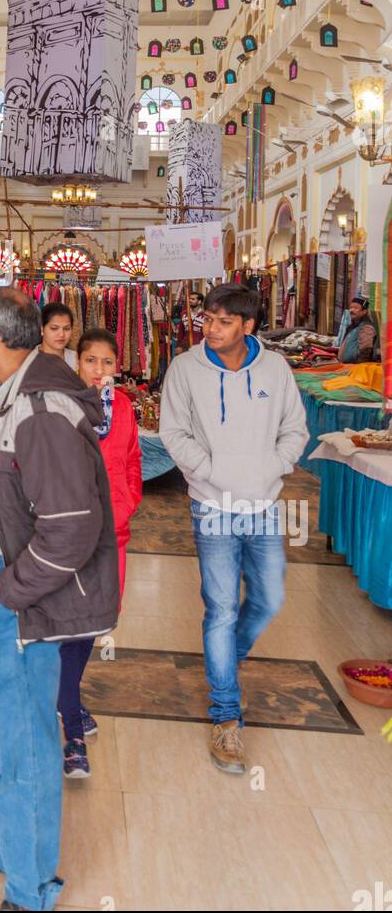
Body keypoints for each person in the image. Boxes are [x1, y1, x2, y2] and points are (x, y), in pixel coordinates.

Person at [0, 287, 118, 911]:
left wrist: (8, 589)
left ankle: (31, 889)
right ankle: (5, 844)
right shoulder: (16, 391)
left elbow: (73, 526)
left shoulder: (40, 407)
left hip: (18, 590)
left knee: (23, 739)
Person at [159, 283, 309, 775]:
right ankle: (226, 716)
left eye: (224, 321)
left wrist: (274, 467)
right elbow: (173, 432)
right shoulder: (185, 368)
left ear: (248, 326)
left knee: (268, 599)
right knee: (221, 609)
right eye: (208, 318)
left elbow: (295, 429)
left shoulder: (275, 367)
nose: (212, 327)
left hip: (264, 504)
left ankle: (224, 658)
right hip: (212, 507)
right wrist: (210, 471)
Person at [58, 329, 143, 778]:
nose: (98, 370)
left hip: (115, 530)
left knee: (97, 619)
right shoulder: (64, 405)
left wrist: (127, 501)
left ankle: (64, 696)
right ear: (78, 363)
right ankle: (71, 727)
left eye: (106, 362)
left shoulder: (124, 407)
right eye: (90, 361)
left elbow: (131, 458)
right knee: (73, 621)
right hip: (73, 530)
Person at [337, 295, 379, 363]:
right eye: (351, 307)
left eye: (356, 308)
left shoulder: (367, 327)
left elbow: (365, 353)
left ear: (364, 311)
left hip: (357, 368)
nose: (351, 310)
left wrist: (358, 368)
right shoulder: (351, 327)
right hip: (346, 366)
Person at [39, 301, 78, 371]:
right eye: (54, 328)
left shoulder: (77, 360)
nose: (61, 334)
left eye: (66, 329)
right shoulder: (29, 360)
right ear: (42, 330)